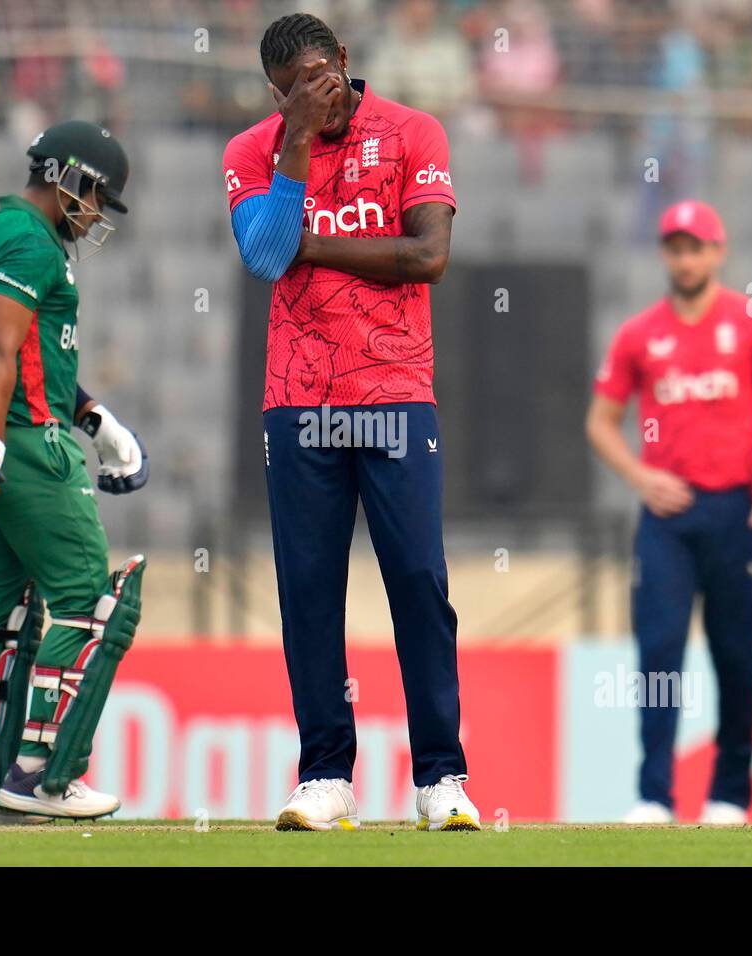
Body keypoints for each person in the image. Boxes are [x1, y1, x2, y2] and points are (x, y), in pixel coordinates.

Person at [221, 12, 478, 831]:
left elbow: (425, 257)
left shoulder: (412, 132)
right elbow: (263, 255)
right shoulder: (252, 150)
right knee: (308, 591)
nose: (316, 98)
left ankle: (442, 777)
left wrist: (312, 245)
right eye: (295, 90)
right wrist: (295, 142)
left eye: (322, 79)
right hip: (298, 400)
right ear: (277, 91)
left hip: (396, 391)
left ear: (345, 60)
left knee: (418, 582)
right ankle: (325, 774)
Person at [0, 120, 150, 824]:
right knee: (90, 603)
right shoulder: (31, 243)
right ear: (71, 178)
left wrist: (99, 422)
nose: (94, 216)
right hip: (22, 446)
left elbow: (29, 359)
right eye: (96, 198)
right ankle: (38, 774)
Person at [584, 200, 752, 825]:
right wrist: (641, 476)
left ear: (717, 251)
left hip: (735, 511)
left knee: (736, 654)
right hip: (667, 518)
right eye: (675, 248)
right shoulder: (640, 333)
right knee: (658, 653)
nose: (685, 259)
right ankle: (654, 794)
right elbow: (601, 422)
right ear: (665, 254)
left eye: (696, 247)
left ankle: (730, 795)